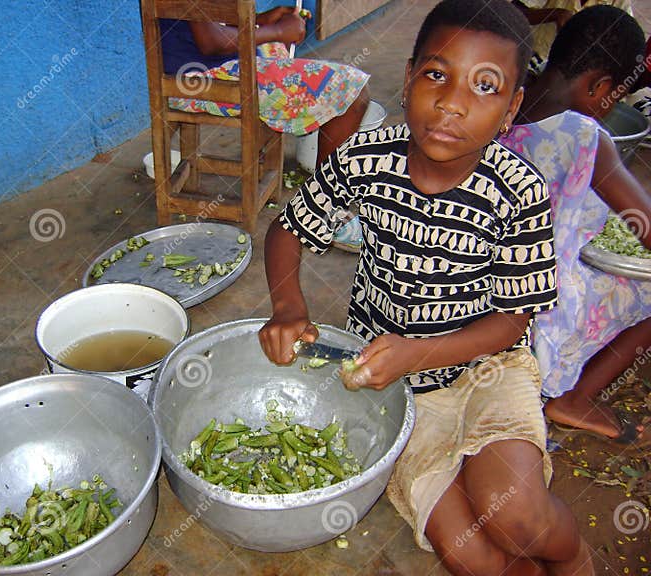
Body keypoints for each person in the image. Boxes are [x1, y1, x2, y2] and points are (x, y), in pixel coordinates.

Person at [259, 0, 593, 573]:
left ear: (513, 106)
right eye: (436, 74)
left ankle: (574, 562)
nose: (452, 102)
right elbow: (287, 232)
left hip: (490, 367)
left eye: (485, 86)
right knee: (473, 556)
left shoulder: (518, 192)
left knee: (516, 518)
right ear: (410, 74)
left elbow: (513, 321)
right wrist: (289, 306)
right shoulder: (364, 160)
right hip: (394, 388)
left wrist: (422, 351)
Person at [499, 6, 651, 442]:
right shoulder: (586, 137)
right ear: (600, 86)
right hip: (540, 308)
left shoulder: (504, 98)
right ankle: (576, 396)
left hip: (478, 287)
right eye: (616, 97)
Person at [158, 7, 370, 168]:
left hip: (207, 65)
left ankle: (262, 158)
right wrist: (277, 30)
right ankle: (323, 197)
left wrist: (261, 21)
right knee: (352, 91)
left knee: (279, 50)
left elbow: (211, 20)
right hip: (195, 81)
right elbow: (211, 42)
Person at [511, 0, 634, 77]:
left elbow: (626, 45)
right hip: (529, 58)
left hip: (571, 74)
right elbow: (513, 11)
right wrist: (555, 14)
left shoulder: (620, 3)